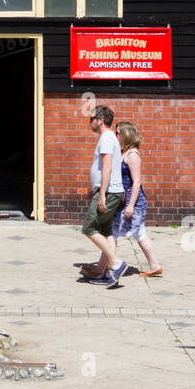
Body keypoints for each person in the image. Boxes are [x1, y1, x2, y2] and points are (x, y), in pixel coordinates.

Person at [78, 105, 127, 288]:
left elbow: (107, 167)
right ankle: (109, 272)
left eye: (91, 118)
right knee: (106, 232)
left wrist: (102, 195)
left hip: (109, 191)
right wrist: (96, 190)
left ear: (101, 120)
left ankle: (115, 263)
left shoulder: (106, 138)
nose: (89, 121)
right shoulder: (108, 138)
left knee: (89, 228)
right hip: (108, 190)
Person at [111, 121, 163, 276]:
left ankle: (107, 268)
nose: (116, 136)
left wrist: (131, 205)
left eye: (118, 133)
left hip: (132, 201)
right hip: (122, 201)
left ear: (125, 135)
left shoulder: (133, 155)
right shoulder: (123, 152)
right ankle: (154, 266)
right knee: (120, 233)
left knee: (120, 233)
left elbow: (137, 182)